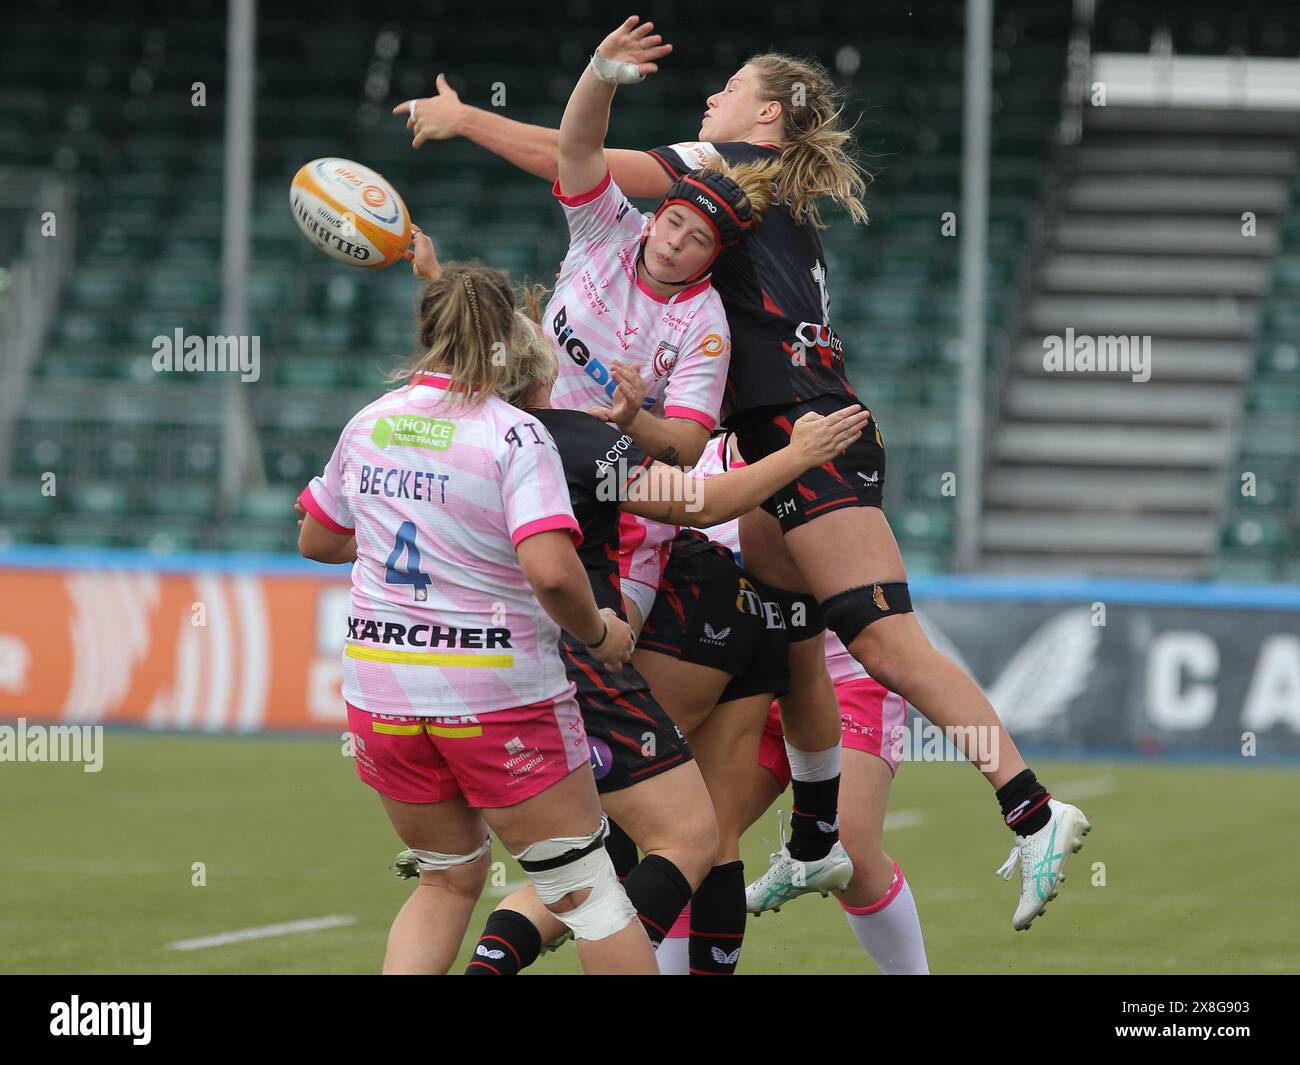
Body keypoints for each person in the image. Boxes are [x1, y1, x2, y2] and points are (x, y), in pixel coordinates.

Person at [398, 27, 1091, 930]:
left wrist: (466, 119)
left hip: (807, 439)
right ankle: (813, 832)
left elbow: (576, 157)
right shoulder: (774, 199)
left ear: (765, 114)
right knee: (789, 623)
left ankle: (1032, 808)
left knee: (886, 646)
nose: (709, 100)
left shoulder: (727, 163)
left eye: (726, 87)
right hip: (781, 441)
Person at [446, 270, 868, 973]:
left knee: (581, 852)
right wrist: (797, 455)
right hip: (604, 650)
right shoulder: (579, 441)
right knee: (696, 836)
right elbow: (696, 503)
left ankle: (490, 963)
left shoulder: (447, 440)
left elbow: (324, 535)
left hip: (481, 677)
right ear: (543, 366)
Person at [296, 256, 658, 974]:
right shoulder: (514, 434)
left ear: (427, 332)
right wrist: (601, 632)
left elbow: (317, 537)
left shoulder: (370, 421)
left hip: (384, 692)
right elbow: (553, 571)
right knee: (587, 892)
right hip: (497, 693)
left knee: (446, 879)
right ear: (507, 338)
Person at [650, 435, 929, 975]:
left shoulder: (821, 448)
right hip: (745, 691)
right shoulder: (696, 460)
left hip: (841, 678)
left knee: (848, 847)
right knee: (691, 846)